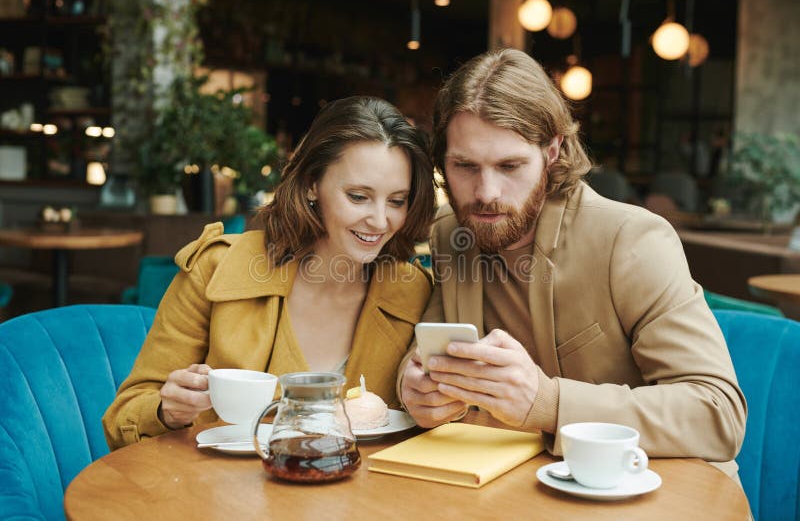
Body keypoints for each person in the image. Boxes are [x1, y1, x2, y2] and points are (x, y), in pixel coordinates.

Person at [398, 49, 746, 479]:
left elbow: (718, 413)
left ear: (552, 150)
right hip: (519, 495)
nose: (485, 192)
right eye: (464, 166)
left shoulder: (631, 240)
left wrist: (547, 402)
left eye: (510, 166)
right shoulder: (453, 233)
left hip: (648, 494)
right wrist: (414, 388)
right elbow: (427, 353)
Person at [104, 96, 436, 450]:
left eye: (397, 201)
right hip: (216, 496)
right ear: (312, 184)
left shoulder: (413, 291)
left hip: (360, 498)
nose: (381, 220)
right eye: (358, 196)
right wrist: (167, 410)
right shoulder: (217, 269)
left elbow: (439, 420)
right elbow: (123, 418)